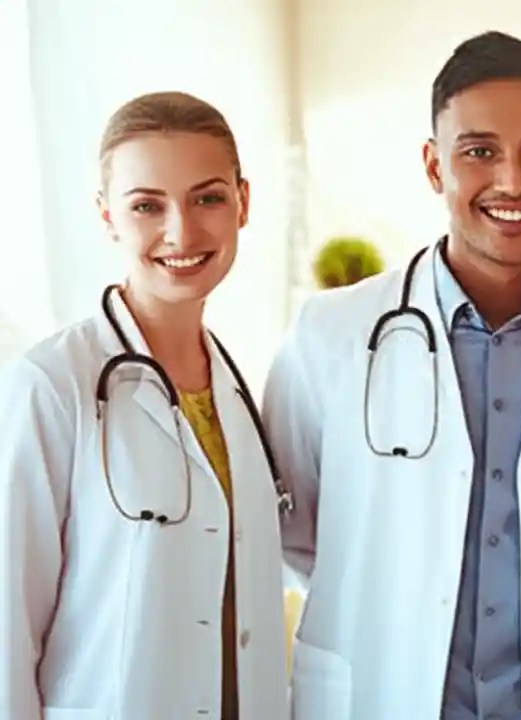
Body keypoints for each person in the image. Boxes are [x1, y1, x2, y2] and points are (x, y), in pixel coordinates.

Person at [262, 31, 521, 719]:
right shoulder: (330, 336)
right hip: (377, 696)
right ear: (434, 166)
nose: (512, 180)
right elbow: (294, 533)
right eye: (479, 151)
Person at [0, 91, 289, 719]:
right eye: (146, 206)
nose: (180, 231)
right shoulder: (53, 385)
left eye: (207, 198)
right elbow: (7, 629)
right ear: (107, 216)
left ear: (243, 203)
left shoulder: (236, 388)